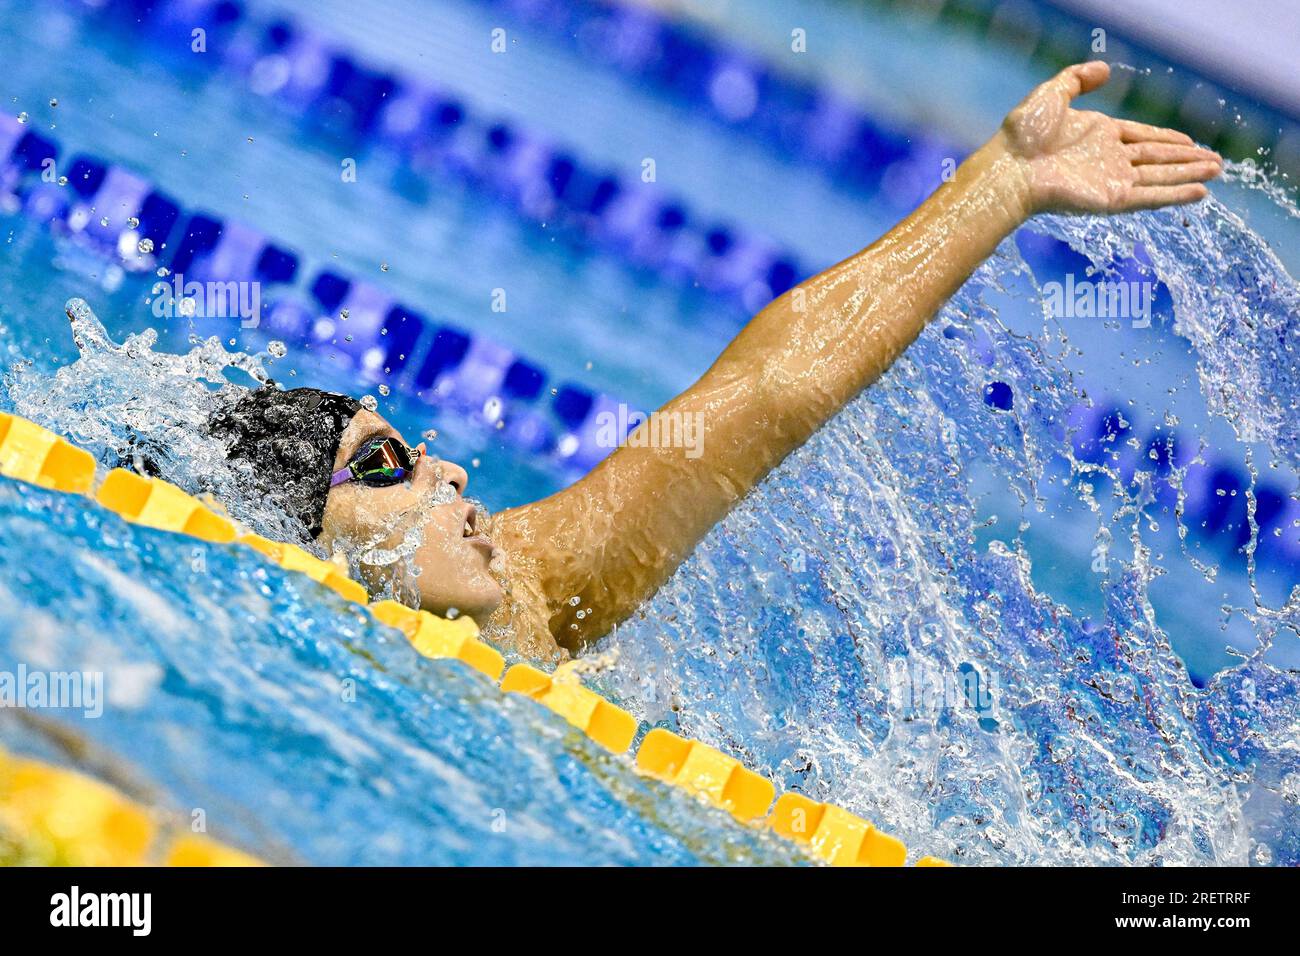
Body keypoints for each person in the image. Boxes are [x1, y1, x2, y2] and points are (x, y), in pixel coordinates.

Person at [210, 62, 1222, 659]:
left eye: (422, 455)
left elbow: (766, 393)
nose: (453, 473)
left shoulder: (530, 586)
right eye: (388, 465)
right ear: (290, 529)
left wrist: (1001, 183)